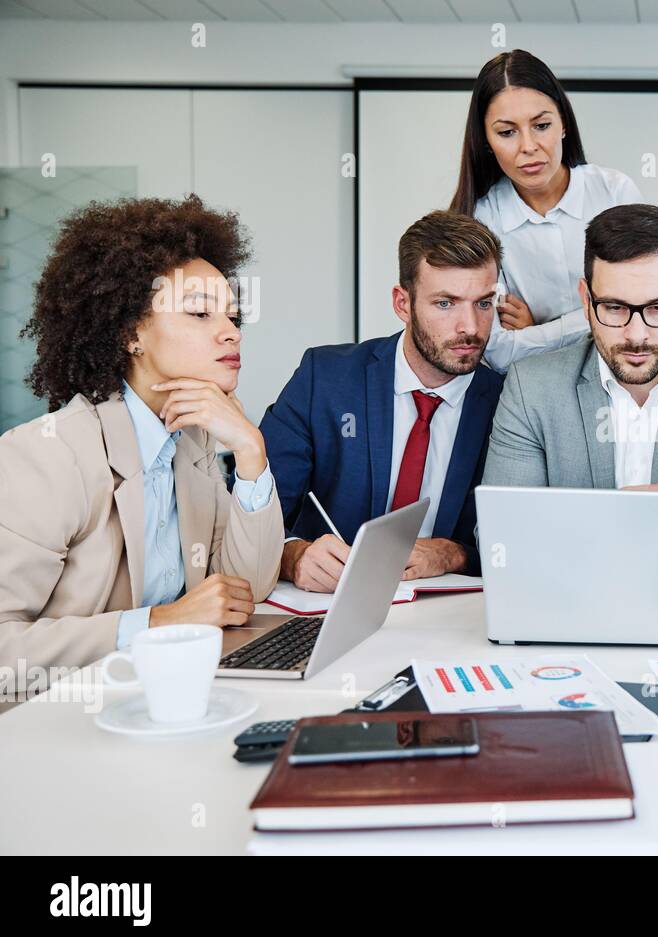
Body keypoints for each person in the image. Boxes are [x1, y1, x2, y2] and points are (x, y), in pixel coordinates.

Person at [0, 196, 283, 705]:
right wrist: (156, 623)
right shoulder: (49, 455)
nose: (230, 331)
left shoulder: (191, 437)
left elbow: (246, 589)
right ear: (132, 333)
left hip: (159, 699)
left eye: (233, 316)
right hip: (57, 727)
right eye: (199, 312)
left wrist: (249, 450)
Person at [260, 211, 505, 590]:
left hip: (447, 620)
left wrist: (453, 554)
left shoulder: (508, 403)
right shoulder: (324, 378)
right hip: (321, 609)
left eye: (483, 303)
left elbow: (518, 543)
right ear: (402, 303)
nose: (470, 327)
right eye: (445, 303)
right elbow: (250, 516)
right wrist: (293, 556)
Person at [483, 203, 658, 491]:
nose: (636, 335)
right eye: (614, 307)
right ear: (586, 301)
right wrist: (624, 521)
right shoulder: (531, 390)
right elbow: (508, 531)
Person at [451, 49, 643, 371]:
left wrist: (538, 331)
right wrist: (601, 312)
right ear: (485, 140)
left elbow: (641, 308)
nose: (528, 146)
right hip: (535, 396)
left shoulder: (615, 194)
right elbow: (497, 351)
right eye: (507, 132)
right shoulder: (481, 221)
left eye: (541, 125)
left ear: (563, 124)